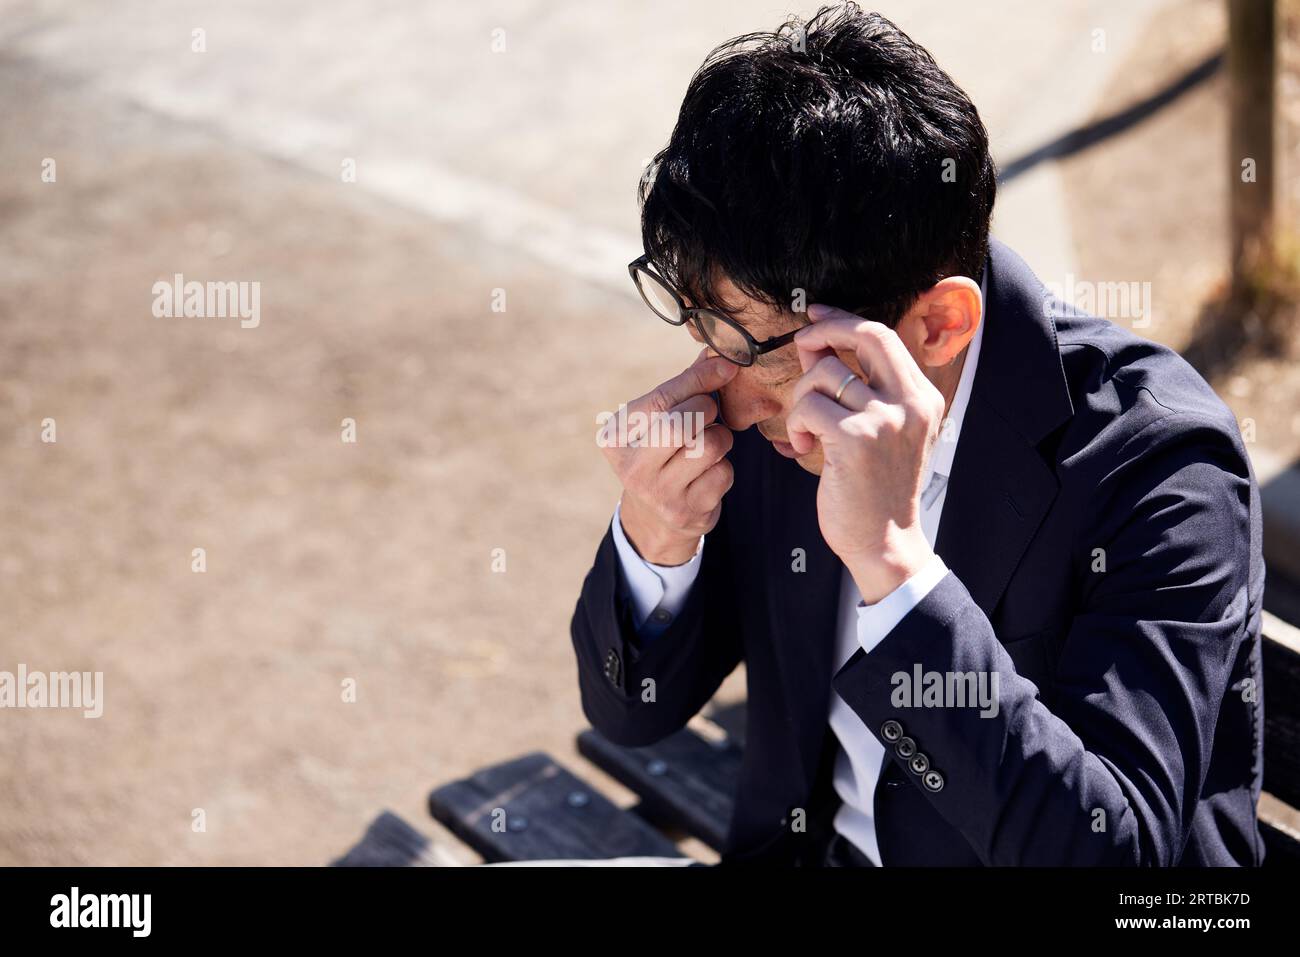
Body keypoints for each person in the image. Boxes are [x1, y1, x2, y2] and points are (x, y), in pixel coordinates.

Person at [565, 3, 1265, 867]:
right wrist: (656, 543)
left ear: (936, 323)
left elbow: (1116, 855)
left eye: (753, 349)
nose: (731, 399)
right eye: (707, 333)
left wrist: (895, 568)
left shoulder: (1161, 467)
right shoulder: (780, 388)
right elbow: (631, 711)